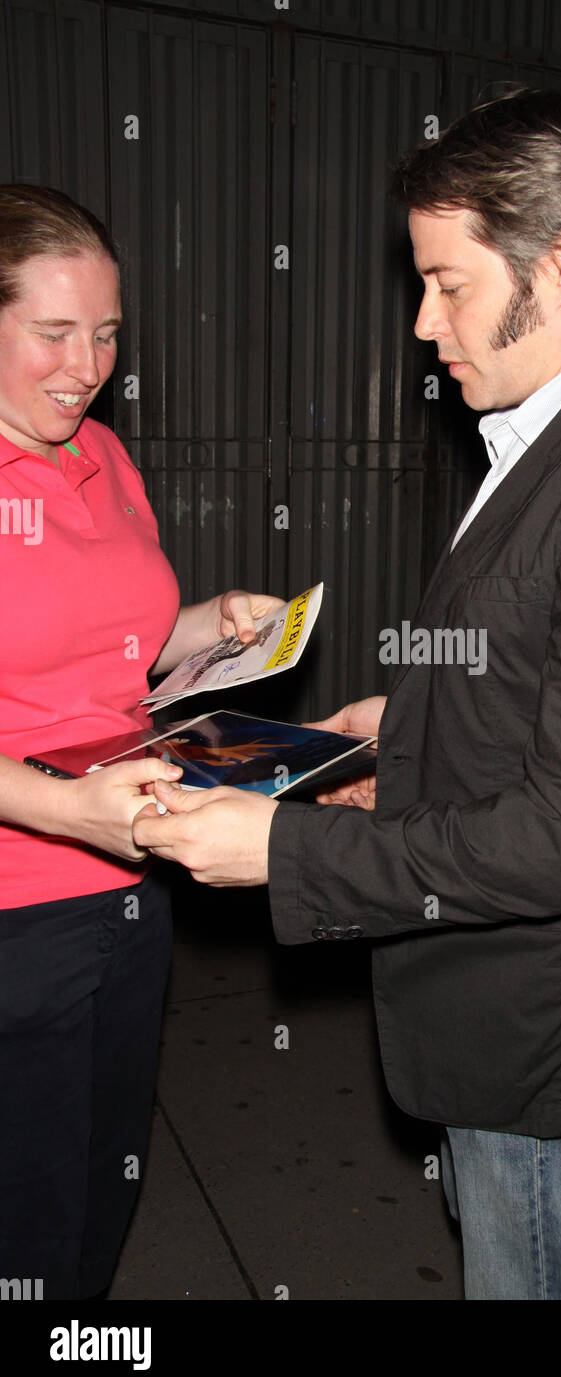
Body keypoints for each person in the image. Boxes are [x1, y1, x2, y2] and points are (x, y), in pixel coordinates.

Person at [133, 86, 561, 1300]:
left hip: (551, 1032)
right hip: (510, 1004)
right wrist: (405, 725)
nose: (423, 322)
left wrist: (286, 849)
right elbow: (557, 694)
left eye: (449, 283)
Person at [0, 184, 285, 1300]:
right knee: (26, 1204)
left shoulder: (104, 457)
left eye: (108, 332)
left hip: (129, 873)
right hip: (17, 903)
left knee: (100, 1180)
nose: (87, 363)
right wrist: (67, 808)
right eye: (54, 332)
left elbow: (112, 653)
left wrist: (204, 627)